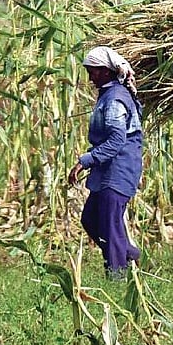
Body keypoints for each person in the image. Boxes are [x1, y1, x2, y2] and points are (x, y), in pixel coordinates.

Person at [67, 45, 144, 278]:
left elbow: (116, 139)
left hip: (119, 168)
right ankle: (128, 253)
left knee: (110, 224)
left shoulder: (114, 100)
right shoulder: (109, 95)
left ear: (107, 72)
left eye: (94, 71)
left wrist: (84, 161)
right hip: (107, 169)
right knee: (90, 218)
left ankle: (117, 275)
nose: (90, 77)